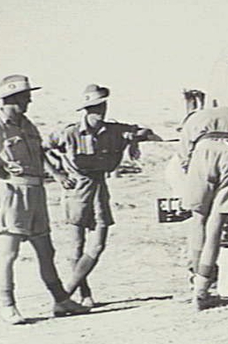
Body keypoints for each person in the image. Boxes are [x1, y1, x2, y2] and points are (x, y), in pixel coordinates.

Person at [0, 75, 90, 324]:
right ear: (12, 99)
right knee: (9, 254)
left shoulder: (27, 125)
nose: (29, 101)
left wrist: (56, 174)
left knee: (46, 251)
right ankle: (8, 305)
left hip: (37, 193)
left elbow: (39, 154)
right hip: (13, 194)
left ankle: (60, 299)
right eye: (25, 97)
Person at [43, 84, 161, 308]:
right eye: (95, 107)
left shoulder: (115, 131)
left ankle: (64, 295)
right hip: (76, 190)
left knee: (97, 246)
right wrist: (57, 174)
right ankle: (82, 295)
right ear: (85, 110)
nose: (100, 110)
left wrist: (133, 141)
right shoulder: (69, 133)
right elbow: (41, 149)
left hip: (100, 189)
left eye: (102, 105)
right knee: (76, 247)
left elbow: (146, 132)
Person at [179, 106, 228, 310]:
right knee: (216, 223)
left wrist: (191, 171)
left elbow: (184, 154)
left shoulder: (194, 118)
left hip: (203, 151)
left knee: (198, 218)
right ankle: (202, 291)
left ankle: (195, 278)